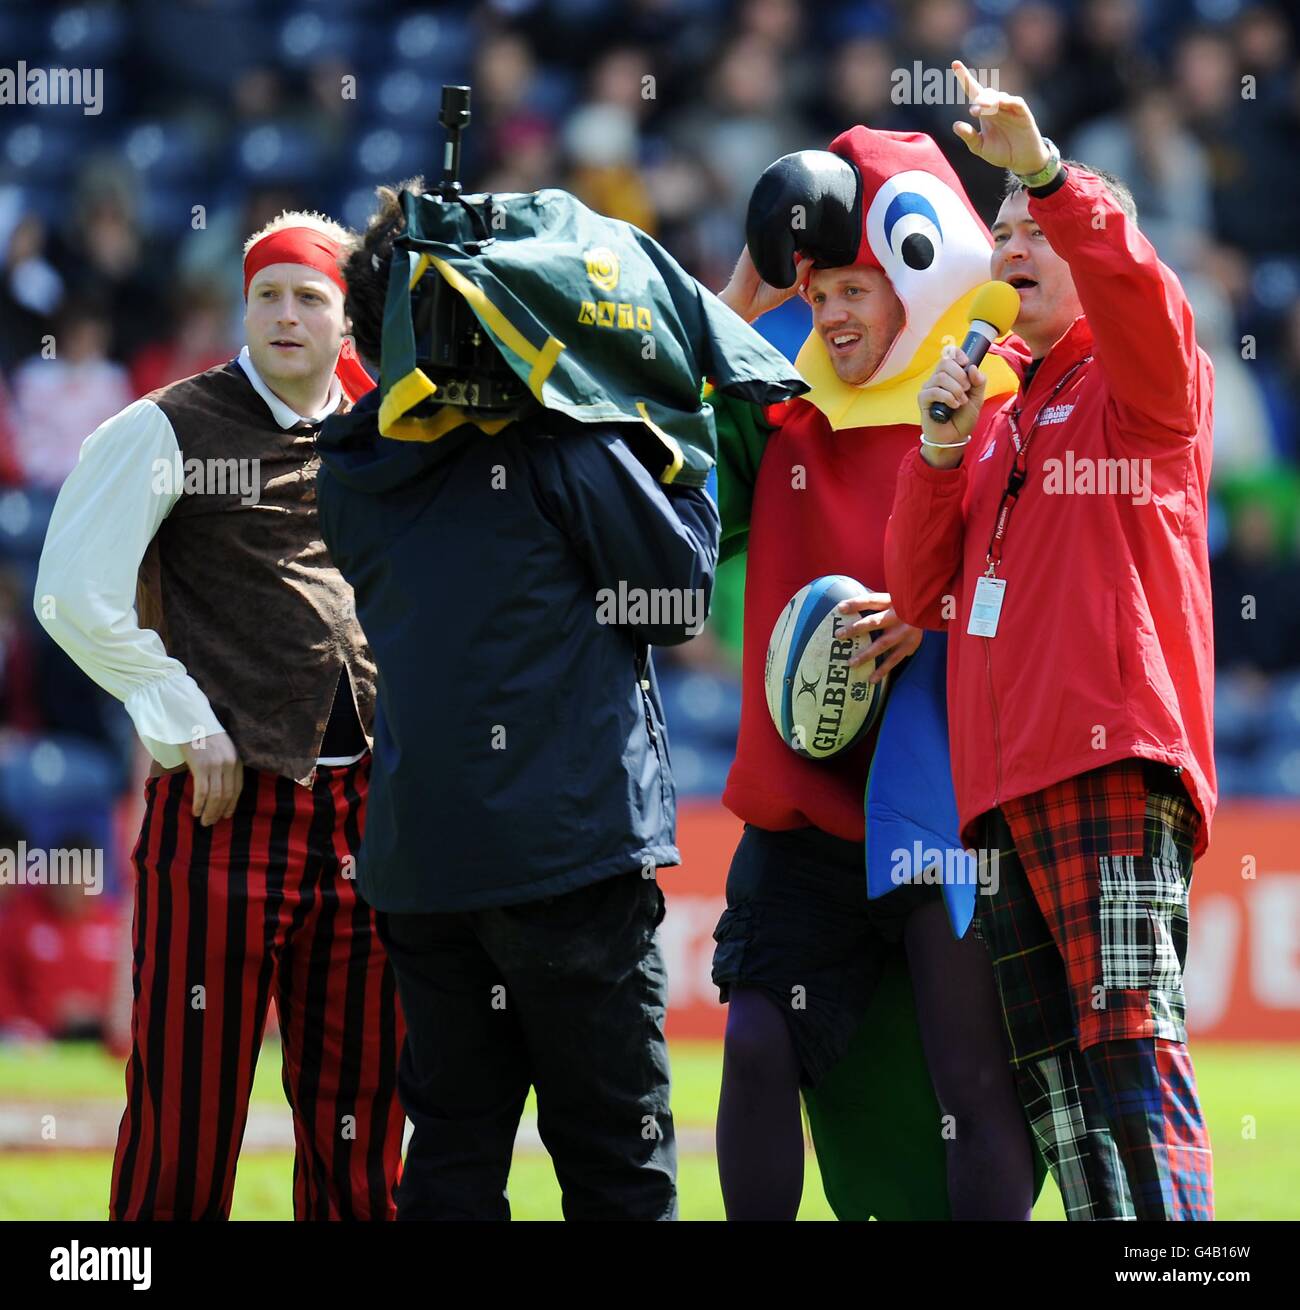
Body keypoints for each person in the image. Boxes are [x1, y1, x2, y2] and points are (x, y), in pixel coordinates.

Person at [314, 180, 727, 1221]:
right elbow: (678, 592)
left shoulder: (351, 466)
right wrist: (684, 426)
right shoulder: (561, 446)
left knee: (451, 1159)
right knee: (615, 1166)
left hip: (422, 858)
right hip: (570, 849)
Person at [886, 62, 1217, 1221]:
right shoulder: (997, 414)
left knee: (1129, 1046)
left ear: (1088, 243)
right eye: (1003, 231)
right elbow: (918, 591)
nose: (1013, 243)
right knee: (1062, 1094)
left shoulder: (1146, 389)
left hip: (1107, 763)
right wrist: (936, 448)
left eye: (1036, 229)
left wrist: (1043, 171)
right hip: (1002, 793)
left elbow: (1140, 288)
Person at [34, 212, 404, 1220]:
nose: (285, 314)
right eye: (268, 294)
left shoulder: (384, 431)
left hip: (368, 817)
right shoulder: (167, 424)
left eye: (309, 297)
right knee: (184, 1123)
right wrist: (180, 715)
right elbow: (70, 591)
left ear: (346, 323)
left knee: (362, 1122)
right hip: (221, 810)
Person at [708, 126, 1037, 1220]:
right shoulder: (775, 406)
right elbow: (670, 490)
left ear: (914, 280)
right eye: (818, 290)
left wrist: (932, 615)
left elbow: (1035, 582)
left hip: (942, 803)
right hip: (799, 815)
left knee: (971, 1089)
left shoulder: (995, 407)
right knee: (753, 1039)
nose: (833, 313)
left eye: (857, 286)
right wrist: (741, 297)